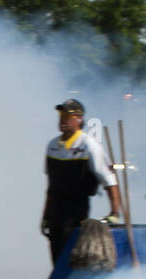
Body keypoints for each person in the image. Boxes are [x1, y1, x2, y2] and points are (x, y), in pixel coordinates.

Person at [42, 98, 122, 265]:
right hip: (56, 208)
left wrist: (114, 212)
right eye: (61, 115)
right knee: (56, 252)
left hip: (76, 207)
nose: (63, 119)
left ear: (79, 119)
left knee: (70, 251)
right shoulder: (52, 146)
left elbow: (108, 178)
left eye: (68, 115)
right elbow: (51, 185)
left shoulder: (88, 145)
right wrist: (46, 215)